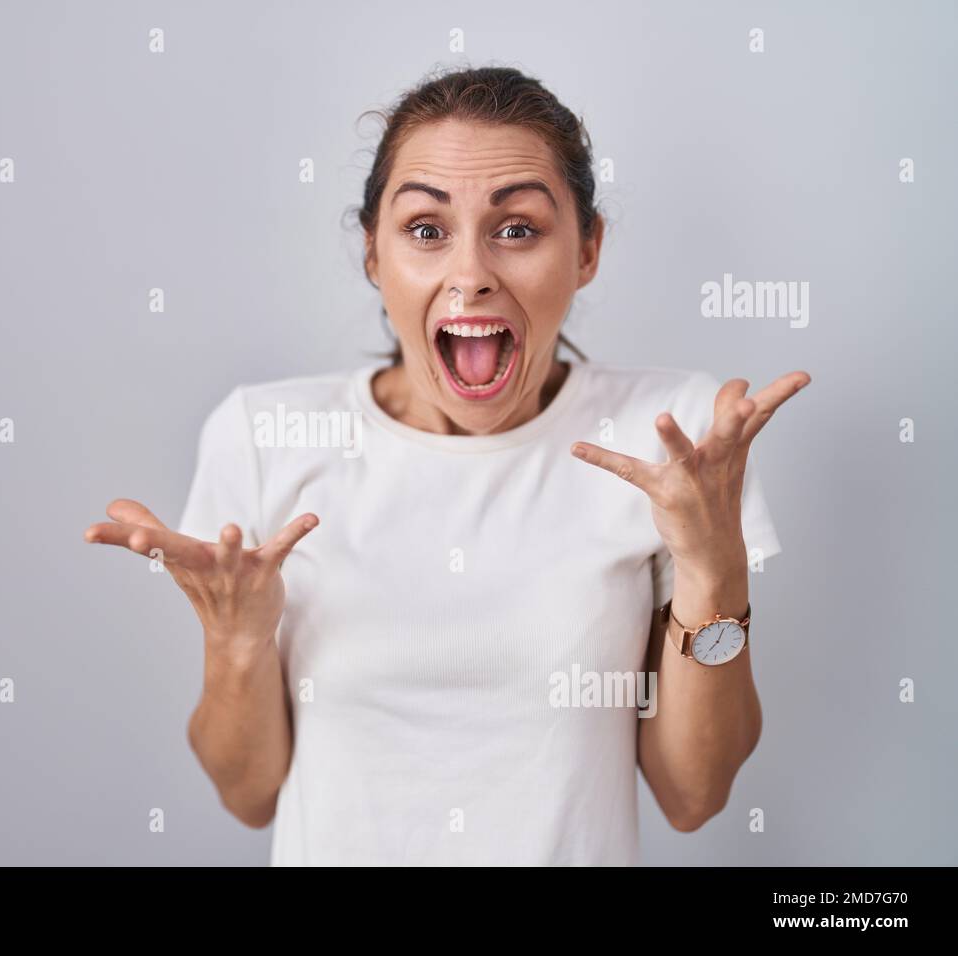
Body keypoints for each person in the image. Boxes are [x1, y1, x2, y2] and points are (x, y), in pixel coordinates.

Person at [84, 65, 811, 865]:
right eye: (427, 230)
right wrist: (239, 641)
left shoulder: (669, 437)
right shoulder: (265, 434)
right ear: (373, 253)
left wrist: (715, 569)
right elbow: (248, 793)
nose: (470, 275)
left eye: (518, 229)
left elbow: (694, 795)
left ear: (588, 248)